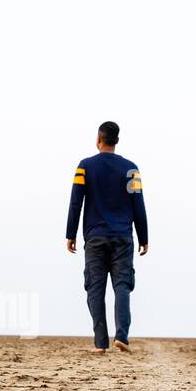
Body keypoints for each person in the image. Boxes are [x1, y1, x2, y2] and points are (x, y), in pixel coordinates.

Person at [65, 121, 148, 353]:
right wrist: (144, 236)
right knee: (122, 285)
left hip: (95, 238)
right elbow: (138, 204)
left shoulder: (85, 167)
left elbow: (75, 202)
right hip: (123, 236)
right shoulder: (131, 169)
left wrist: (70, 234)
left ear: (98, 139)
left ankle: (100, 343)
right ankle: (121, 337)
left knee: (95, 288)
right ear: (117, 141)